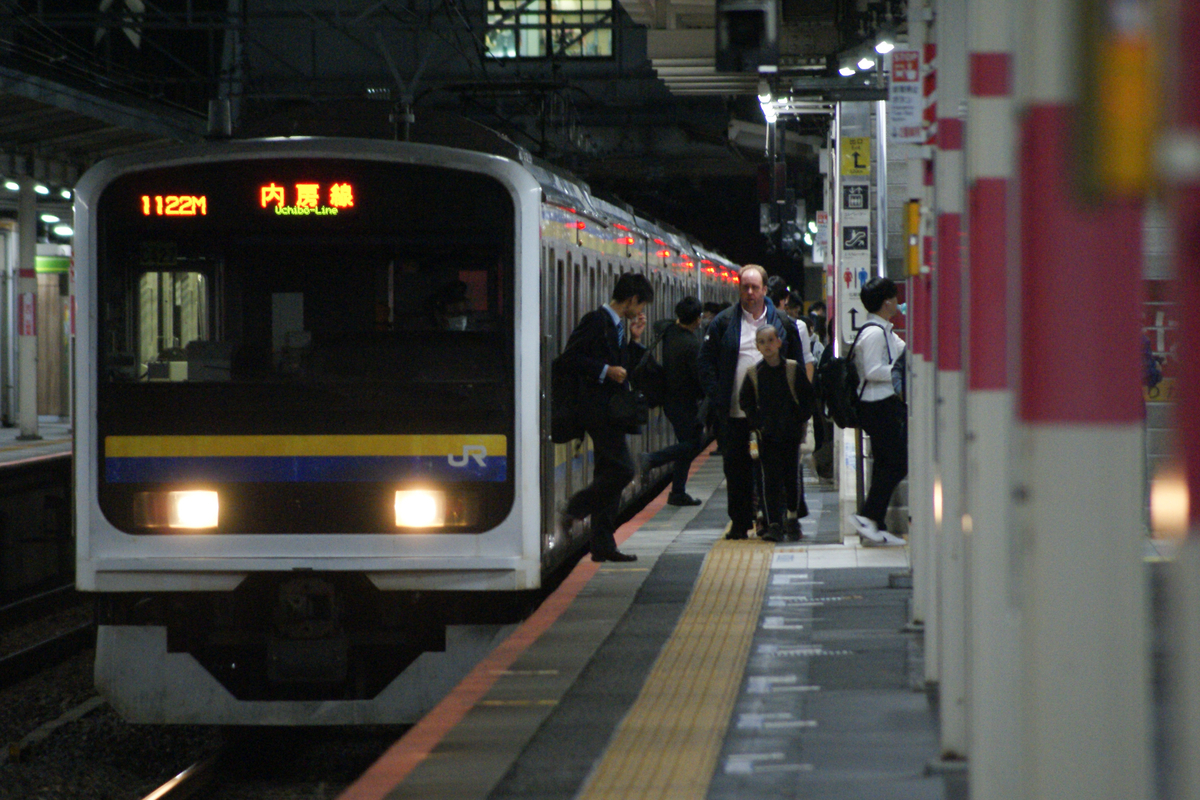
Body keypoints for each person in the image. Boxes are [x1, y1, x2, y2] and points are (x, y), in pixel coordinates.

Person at [698, 264, 812, 540]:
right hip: (736, 413)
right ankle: (740, 522)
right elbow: (706, 362)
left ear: (764, 289)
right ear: (739, 289)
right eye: (744, 287)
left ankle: (781, 519)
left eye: (754, 287)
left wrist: (801, 409)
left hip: (776, 415)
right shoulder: (724, 322)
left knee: (778, 470)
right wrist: (717, 396)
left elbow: (797, 364)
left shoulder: (783, 323)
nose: (749, 292)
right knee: (735, 468)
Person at [558, 273, 654, 562]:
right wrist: (604, 370)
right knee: (623, 470)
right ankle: (575, 508)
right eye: (640, 306)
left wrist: (635, 341)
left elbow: (624, 367)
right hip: (597, 411)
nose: (640, 312)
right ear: (632, 299)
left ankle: (602, 545)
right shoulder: (596, 321)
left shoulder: (616, 327)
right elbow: (568, 359)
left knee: (606, 473)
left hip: (610, 411)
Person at [739, 326, 813, 542]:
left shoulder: (792, 369)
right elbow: (746, 401)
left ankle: (792, 518)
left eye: (771, 340)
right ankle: (774, 524)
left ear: (779, 342)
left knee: (791, 478)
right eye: (762, 342)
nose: (767, 345)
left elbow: (807, 398)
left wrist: (799, 419)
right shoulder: (754, 374)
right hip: (767, 437)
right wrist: (758, 424)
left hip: (790, 436)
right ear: (757, 346)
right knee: (770, 480)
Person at [848, 277, 907, 546]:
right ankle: (869, 515)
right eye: (895, 297)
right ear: (886, 302)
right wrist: (898, 374)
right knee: (898, 461)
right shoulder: (873, 333)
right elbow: (872, 370)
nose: (898, 301)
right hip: (877, 405)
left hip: (884, 404)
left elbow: (902, 351)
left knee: (886, 462)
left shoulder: (883, 330)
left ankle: (877, 524)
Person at [641, 296, 706, 506]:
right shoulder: (691, 344)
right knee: (692, 444)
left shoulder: (669, 332)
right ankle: (652, 459)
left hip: (670, 400)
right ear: (697, 319)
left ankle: (677, 492)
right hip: (684, 403)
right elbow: (698, 378)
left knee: (686, 443)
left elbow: (660, 323)